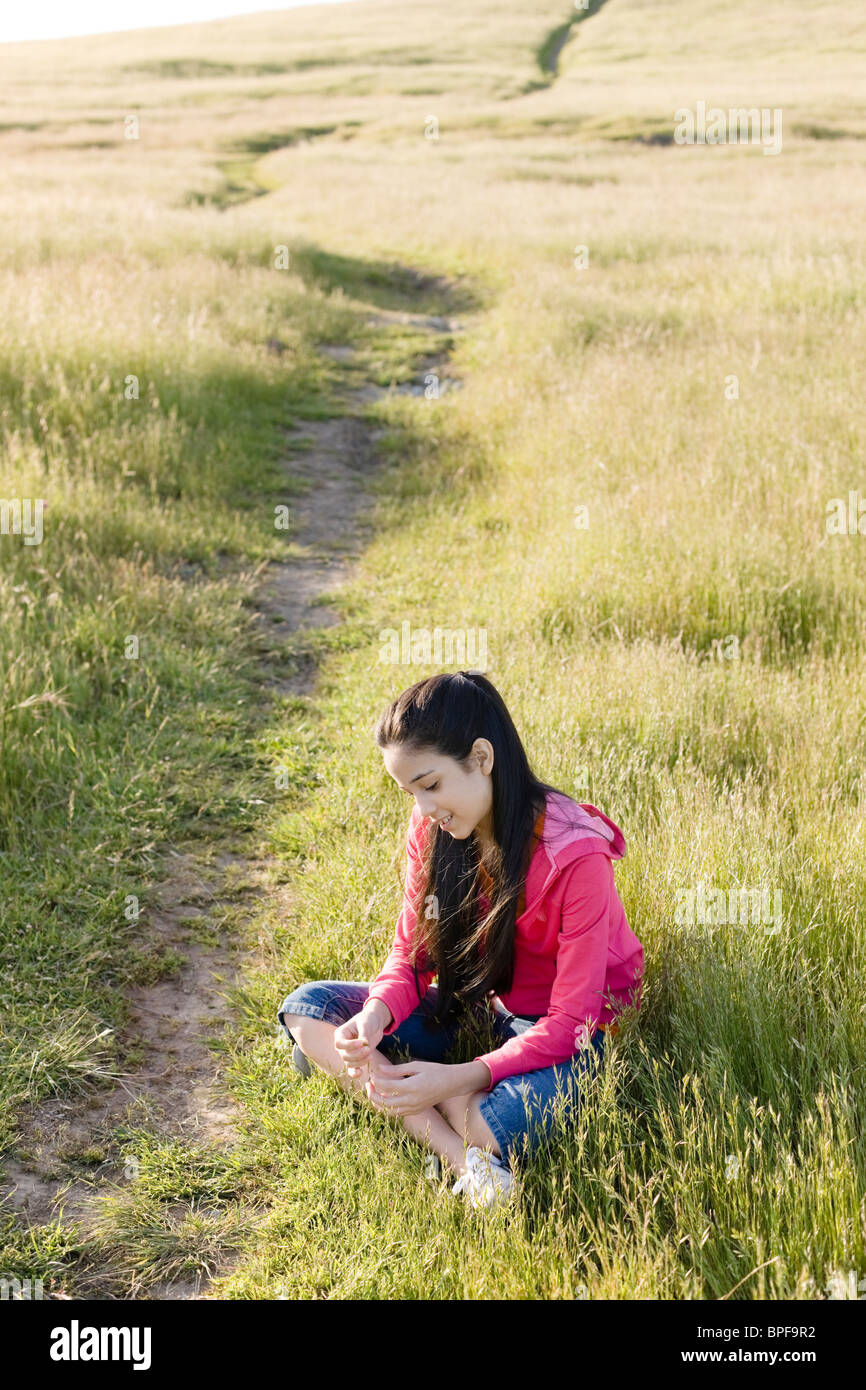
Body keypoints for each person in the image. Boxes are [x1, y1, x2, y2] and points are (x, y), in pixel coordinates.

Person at [277, 671, 643, 1211]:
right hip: (480, 1004)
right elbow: (410, 956)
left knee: (502, 1125)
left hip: (567, 1031)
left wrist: (456, 1076)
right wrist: (375, 1017)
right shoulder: (434, 830)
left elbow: (573, 1022)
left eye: (431, 785)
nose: (424, 809)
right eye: (410, 793)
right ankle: (459, 1156)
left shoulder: (576, 856)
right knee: (309, 1010)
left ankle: (435, 1099)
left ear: (482, 757)